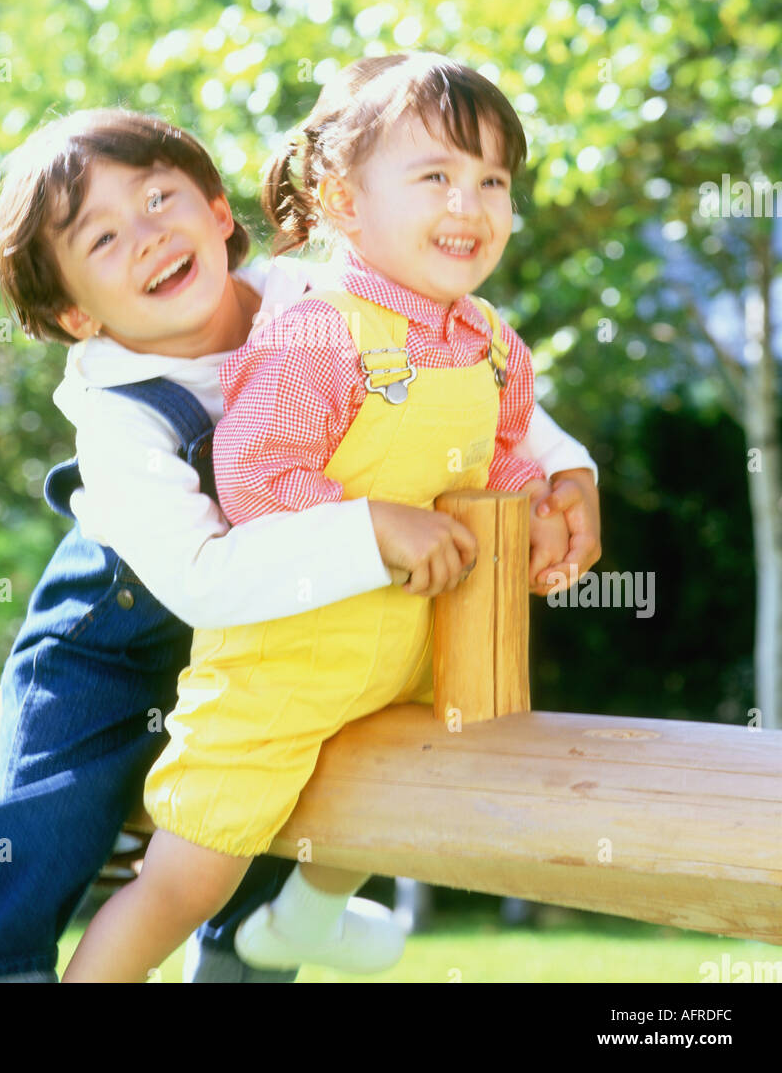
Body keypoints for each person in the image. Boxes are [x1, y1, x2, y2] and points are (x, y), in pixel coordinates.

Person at [0, 106, 517, 984]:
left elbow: (462, 381)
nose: (149, 236)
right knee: (43, 822)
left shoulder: (324, 306)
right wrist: (370, 528)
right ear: (78, 312)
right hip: (113, 641)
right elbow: (201, 579)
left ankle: (246, 953)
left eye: (161, 198)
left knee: (271, 791)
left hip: (261, 639)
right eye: (105, 237)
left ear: (221, 212)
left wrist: (564, 468)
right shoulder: (119, 416)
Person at [62, 53, 600, 983]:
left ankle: (307, 919)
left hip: (404, 660)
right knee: (184, 882)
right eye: (434, 177)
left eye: (492, 181)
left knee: (387, 800)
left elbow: (498, 454)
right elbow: (258, 477)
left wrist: (544, 508)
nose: (468, 205)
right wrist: (377, 525)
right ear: (345, 203)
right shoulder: (319, 328)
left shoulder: (488, 341)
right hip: (284, 670)